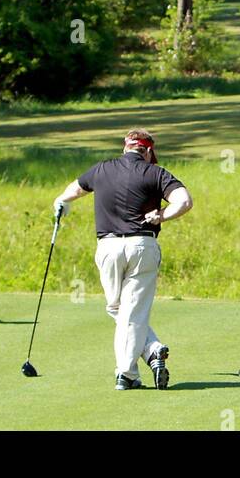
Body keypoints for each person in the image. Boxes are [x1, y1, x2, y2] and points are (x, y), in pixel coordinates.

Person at [53, 129, 193, 390]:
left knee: (118, 308)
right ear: (148, 150)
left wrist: (60, 201)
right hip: (142, 245)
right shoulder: (156, 172)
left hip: (107, 248)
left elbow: (73, 190)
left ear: (125, 147)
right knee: (131, 311)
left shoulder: (101, 169)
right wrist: (162, 215)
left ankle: (145, 356)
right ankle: (131, 370)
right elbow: (184, 201)